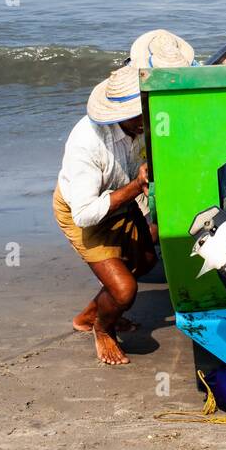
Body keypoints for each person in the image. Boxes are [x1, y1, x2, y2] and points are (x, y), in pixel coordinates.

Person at [53, 63, 156, 366]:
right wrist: (136, 186)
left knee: (146, 260)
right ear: (121, 115)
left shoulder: (142, 126)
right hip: (83, 211)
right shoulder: (87, 144)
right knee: (124, 291)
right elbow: (84, 214)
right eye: (141, 115)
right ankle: (103, 328)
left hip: (121, 198)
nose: (147, 119)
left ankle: (89, 315)